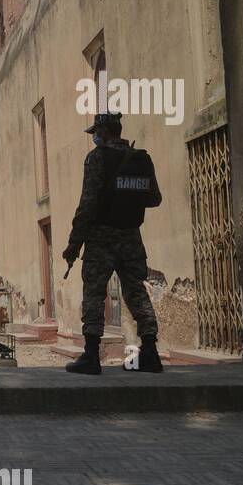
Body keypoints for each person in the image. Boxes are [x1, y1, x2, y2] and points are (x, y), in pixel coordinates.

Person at [62, 110, 163, 375]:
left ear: (104, 132)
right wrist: (128, 196)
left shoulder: (96, 158)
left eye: (96, 133)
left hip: (101, 238)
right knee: (136, 293)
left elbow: (87, 205)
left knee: (94, 293)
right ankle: (151, 352)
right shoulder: (142, 159)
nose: (94, 137)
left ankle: (91, 356)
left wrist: (74, 244)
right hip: (131, 236)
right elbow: (154, 199)